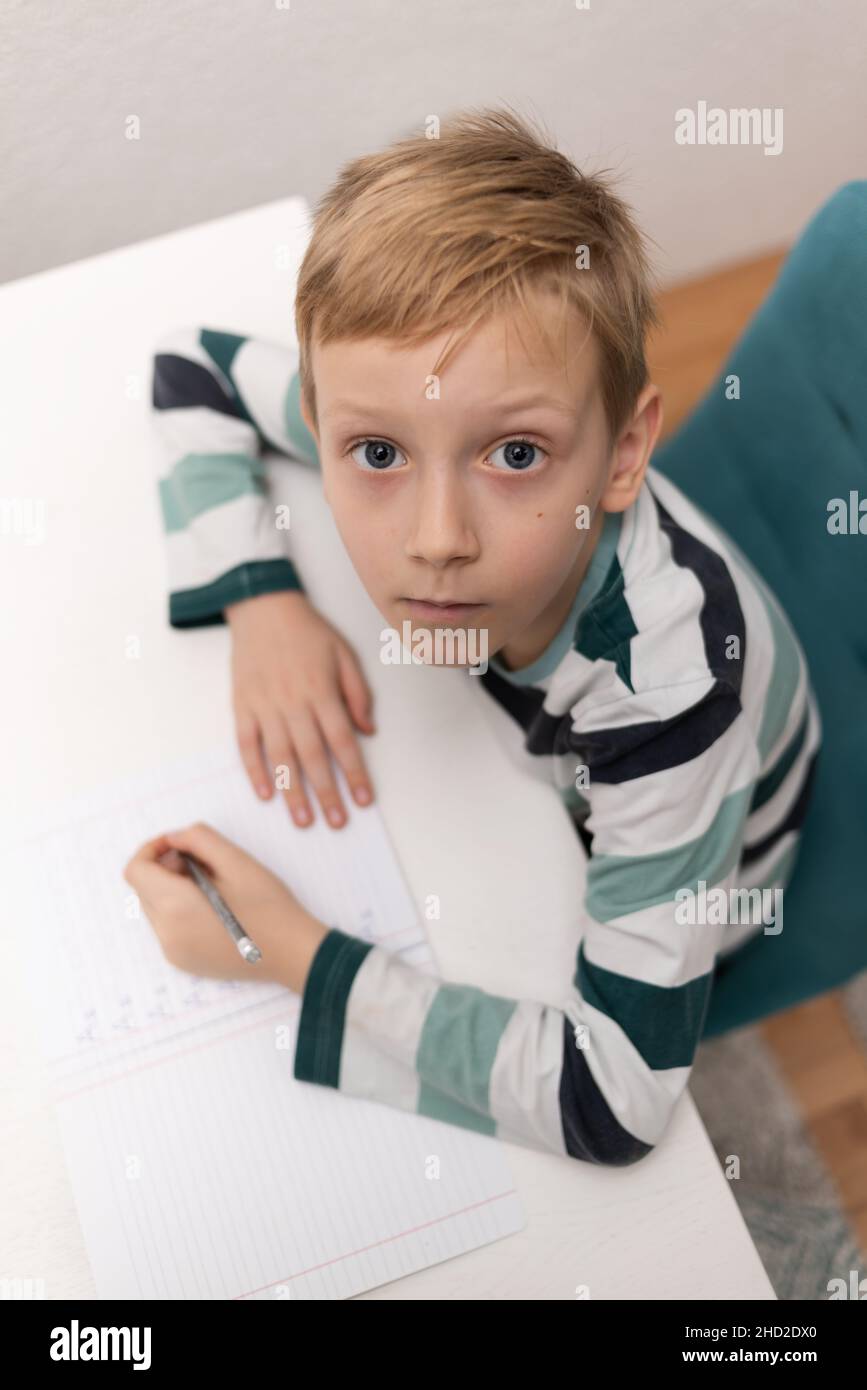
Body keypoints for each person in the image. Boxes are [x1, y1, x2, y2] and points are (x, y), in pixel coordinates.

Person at [124, 107, 819, 1165]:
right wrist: (263, 602)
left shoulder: (673, 706)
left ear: (625, 451)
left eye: (519, 455)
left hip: (695, 840)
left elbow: (613, 1101)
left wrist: (289, 952)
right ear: (321, 417)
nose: (435, 543)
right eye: (376, 453)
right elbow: (192, 371)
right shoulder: (391, 413)